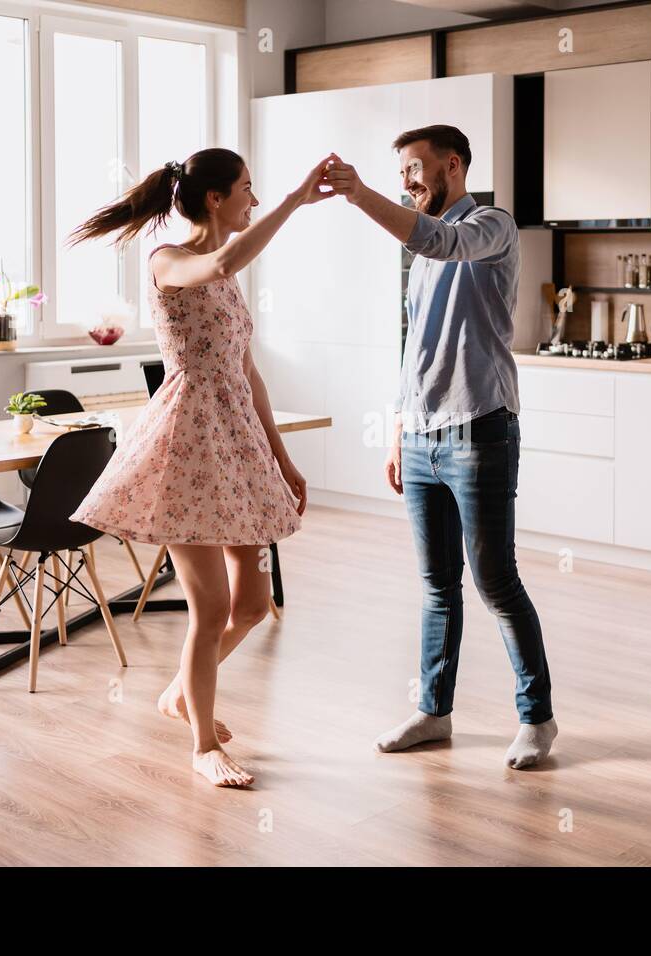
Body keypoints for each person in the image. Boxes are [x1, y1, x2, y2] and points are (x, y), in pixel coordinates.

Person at [68, 148, 332, 787]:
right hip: (185, 450)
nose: (256, 198)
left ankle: (182, 692)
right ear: (215, 198)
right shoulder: (171, 261)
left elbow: (247, 372)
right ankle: (201, 746)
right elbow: (220, 261)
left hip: (235, 445)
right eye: (247, 188)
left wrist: (282, 457)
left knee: (253, 602)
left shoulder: (225, 274)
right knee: (211, 610)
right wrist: (298, 199)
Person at [323, 126, 557, 769]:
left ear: (452, 165)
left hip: (480, 428)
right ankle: (433, 711)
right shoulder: (419, 245)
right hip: (423, 436)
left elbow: (443, 240)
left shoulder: (491, 226)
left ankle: (537, 718)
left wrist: (360, 195)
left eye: (415, 168)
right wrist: (399, 431)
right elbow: (416, 347)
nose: (406, 180)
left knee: (495, 583)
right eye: (399, 171)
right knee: (436, 587)